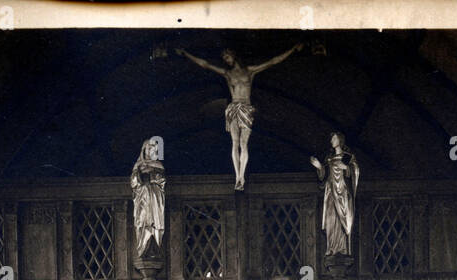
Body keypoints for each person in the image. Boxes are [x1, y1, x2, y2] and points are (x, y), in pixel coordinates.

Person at [175, 44, 305, 190]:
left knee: (243, 144)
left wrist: (292, 49)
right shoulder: (227, 73)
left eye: (227, 57)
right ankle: (238, 177)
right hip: (233, 107)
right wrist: (186, 53)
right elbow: (206, 64)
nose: (226, 60)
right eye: (224, 58)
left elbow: (273, 61)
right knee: (235, 143)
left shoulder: (249, 71)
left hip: (246, 108)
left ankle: (242, 175)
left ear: (233, 55)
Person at [310, 132, 360, 257]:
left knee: (341, 218)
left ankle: (342, 248)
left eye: (334, 138)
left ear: (340, 140)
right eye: (331, 138)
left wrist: (346, 168)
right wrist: (319, 166)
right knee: (331, 219)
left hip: (343, 193)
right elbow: (324, 175)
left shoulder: (347, 156)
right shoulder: (329, 158)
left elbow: (354, 171)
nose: (332, 140)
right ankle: (332, 247)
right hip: (331, 192)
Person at [130, 136, 166, 258]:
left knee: (155, 223)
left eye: (153, 149)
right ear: (144, 150)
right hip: (143, 199)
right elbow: (134, 183)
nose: (150, 151)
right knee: (143, 222)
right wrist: (139, 174)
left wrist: (151, 173)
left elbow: (161, 181)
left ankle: (154, 247)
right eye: (148, 148)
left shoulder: (158, 165)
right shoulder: (138, 165)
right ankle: (143, 247)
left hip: (155, 199)